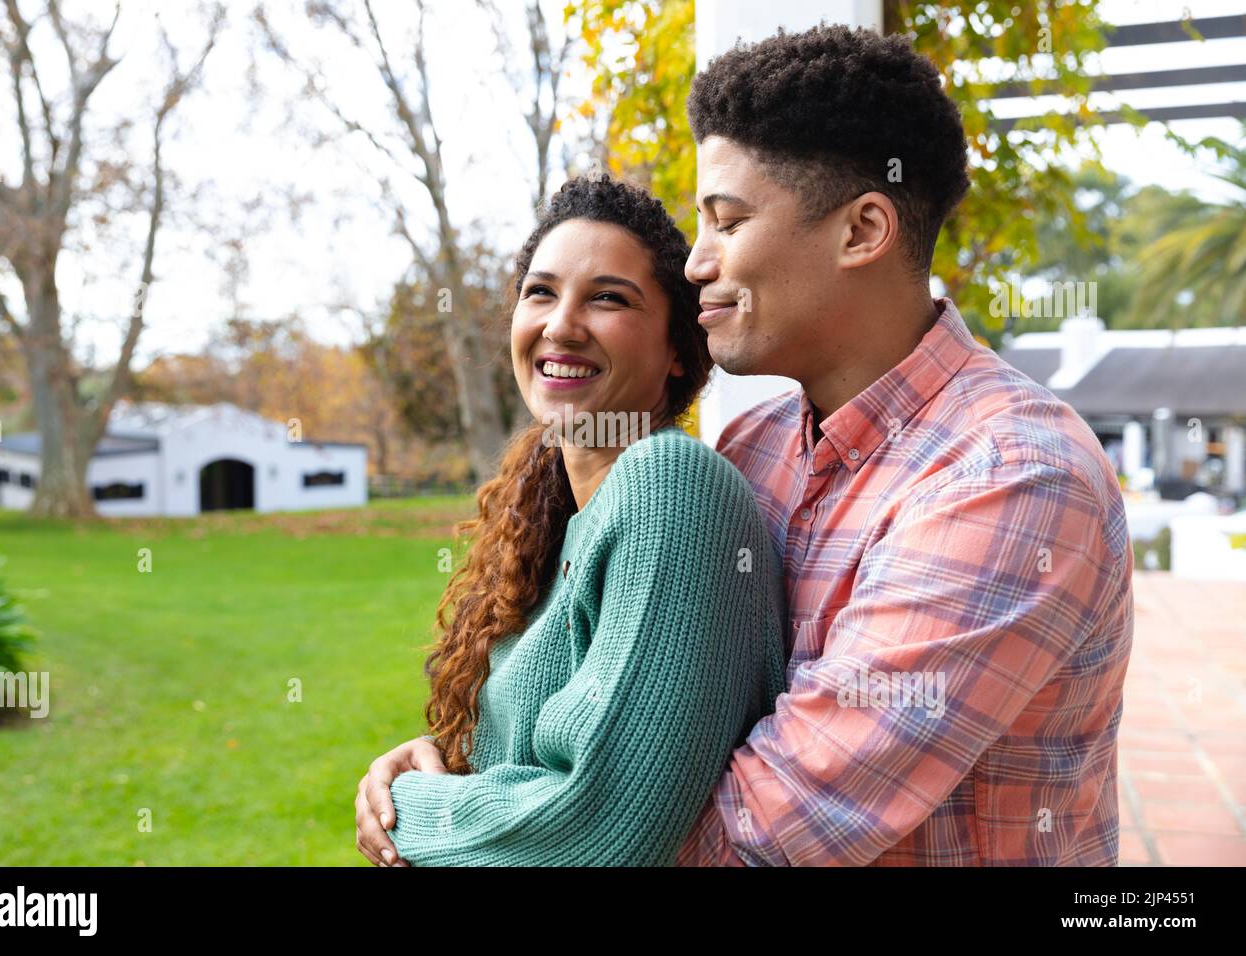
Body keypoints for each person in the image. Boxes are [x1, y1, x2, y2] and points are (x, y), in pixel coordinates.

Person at [672, 24, 1134, 865]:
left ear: (863, 230)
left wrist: (492, 820)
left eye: (726, 222)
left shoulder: (1015, 476)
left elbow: (773, 829)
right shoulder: (751, 448)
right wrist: (469, 763)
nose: (695, 261)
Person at [354, 173, 787, 866]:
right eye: (541, 292)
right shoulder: (556, 513)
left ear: (679, 350)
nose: (561, 325)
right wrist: (434, 762)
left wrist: (405, 808)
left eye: (608, 298)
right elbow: (534, 758)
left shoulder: (669, 485)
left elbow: (598, 831)